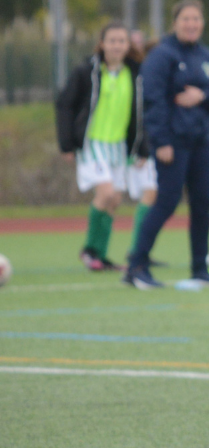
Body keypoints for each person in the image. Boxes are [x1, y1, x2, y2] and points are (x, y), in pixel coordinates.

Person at [124, 0, 209, 290]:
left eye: (196, 19)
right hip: (173, 142)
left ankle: (200, 268)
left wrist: (203, 97)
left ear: (202, 24)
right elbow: (153, 102)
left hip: (201, 141)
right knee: (166, 202)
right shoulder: (161, 56)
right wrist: (161, 142)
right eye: (186, 19)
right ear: (175, 22)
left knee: (202, 204)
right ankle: (136, 266)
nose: (191, 24)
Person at [54, 23, 147, 272]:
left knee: (115, 199)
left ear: (128, 46)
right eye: (112, 40)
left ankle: (101, 256)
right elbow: (65, 105)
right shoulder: (87, 72)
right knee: (105, 194)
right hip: (93, 143)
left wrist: (142, 148)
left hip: (119, 146)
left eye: (122, 41)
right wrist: (66, 144)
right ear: (102, 43)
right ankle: (89, 250)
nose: (117, 45)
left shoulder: (135, 74)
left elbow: (142, 114)